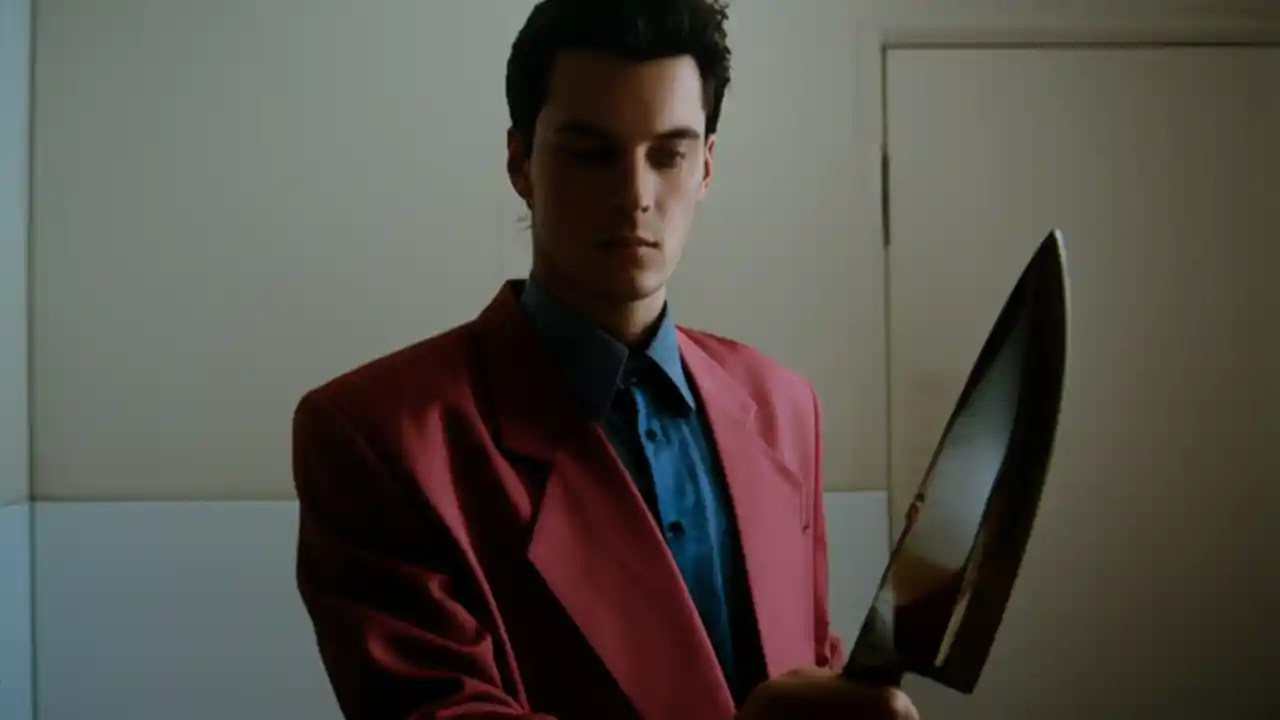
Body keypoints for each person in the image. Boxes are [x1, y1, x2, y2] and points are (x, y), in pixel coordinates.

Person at [290, 1, 920, 718]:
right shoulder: (377, 437)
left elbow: (804, 660)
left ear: (707, 165)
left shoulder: (783, 407)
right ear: (520, 162)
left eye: (670, 153)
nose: (636, 196)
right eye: (591, 152)